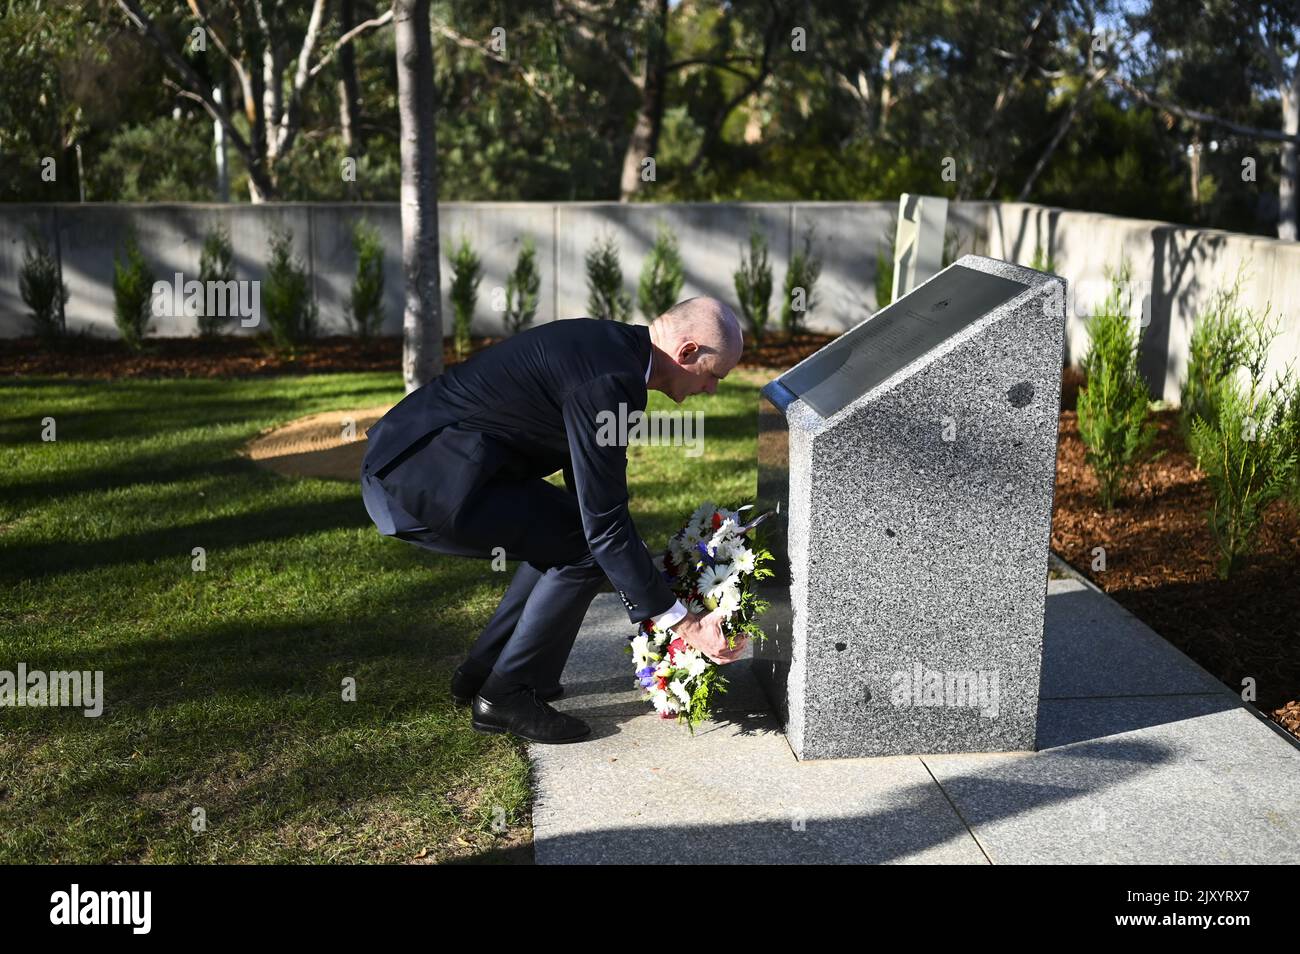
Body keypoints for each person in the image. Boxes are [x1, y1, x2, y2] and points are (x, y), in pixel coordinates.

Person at [360, 296, 747, 744]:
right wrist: (688, 624)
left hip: (422, 466)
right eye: (714, 375)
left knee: (569, 534)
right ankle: (505, 695)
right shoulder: (611, 382)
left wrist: (640, 565)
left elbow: (593, 498)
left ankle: (484, 671)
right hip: (421, 482)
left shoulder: (614, 351)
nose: (712, 390)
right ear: (687, 352)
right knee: (584, 548)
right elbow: (603, 527)